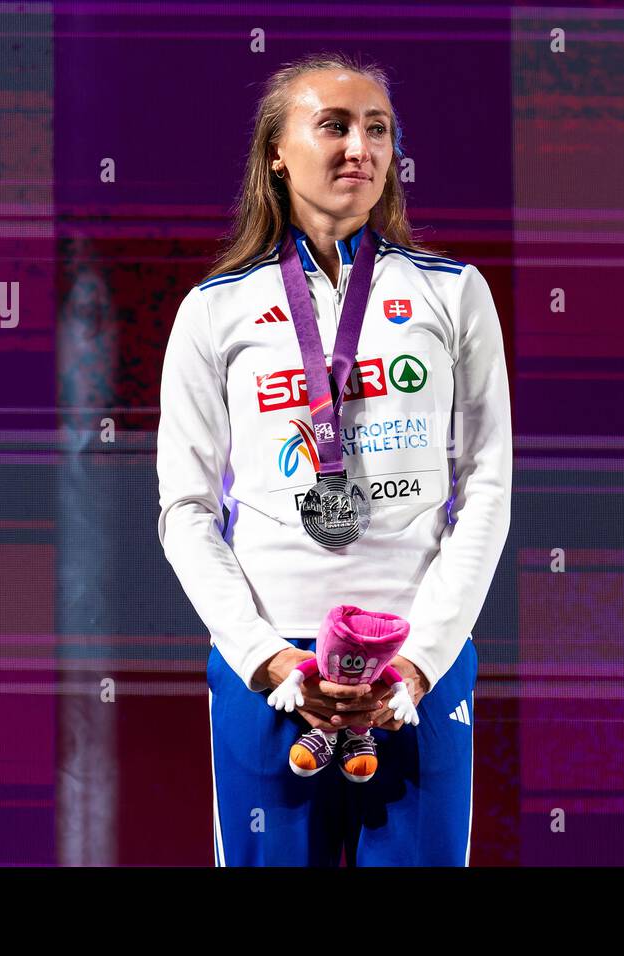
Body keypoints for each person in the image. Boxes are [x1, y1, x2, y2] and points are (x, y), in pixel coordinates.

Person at [156, 52, 512, 866]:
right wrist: (266, 659)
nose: (362, 147)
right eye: (335, 126)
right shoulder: (214, 312)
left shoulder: (453, 292)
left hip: (418, 672)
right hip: (269, 675)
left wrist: (422, 662)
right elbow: (185, 511)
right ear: (276, 153)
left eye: (378, 129)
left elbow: (486, 486)